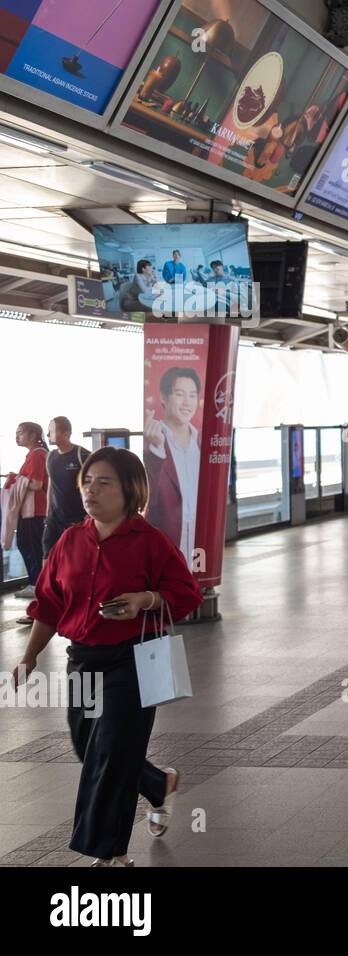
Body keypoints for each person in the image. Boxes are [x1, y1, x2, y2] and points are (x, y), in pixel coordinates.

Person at [9, 446, 203, 866]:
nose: (91, 491)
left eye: (104, 483)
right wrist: (28, 657)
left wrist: (145, 599)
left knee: (111, 752)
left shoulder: (149, 541)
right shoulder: (69, 541)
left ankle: (110, 854)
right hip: (82, 659)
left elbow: (187, 594)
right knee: (89, 747)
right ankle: (158, 783)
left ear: (129, 489)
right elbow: (48, 603)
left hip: (133, 660)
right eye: (87, 482)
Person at [143, 366, 201, 567]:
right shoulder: (152, 442)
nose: (187, 402)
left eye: (192, 396)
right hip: (167, 541)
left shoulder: (202, 442)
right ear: (164, 398)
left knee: (198, 588)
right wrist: (156, 450)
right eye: (179, 394)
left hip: (198, 540)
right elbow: (148, 500)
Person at [5, 422, 49, 605]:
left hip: (34, 511)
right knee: (29, 547)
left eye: (20, 433)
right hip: (33, 511)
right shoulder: (37, 454)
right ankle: (35, 583)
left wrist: (17, 479)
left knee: (31, 548)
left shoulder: (37, 455)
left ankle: (36, 584)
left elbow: (37, 484)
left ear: (33, 435)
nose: (17, 436)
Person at [42, 416, 89, 557]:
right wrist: (47, 512)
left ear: (66, 434)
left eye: (52, 431)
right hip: (54, 518)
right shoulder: (50, 457)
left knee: (74, 557)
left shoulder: (82, 455)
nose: (48, 435)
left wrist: (90, 515)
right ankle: (47, 580)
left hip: (78, 518)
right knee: (47, 555)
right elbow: (51, 484)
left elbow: (92, 484)